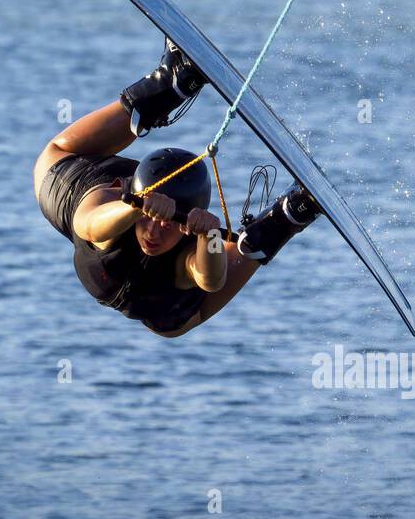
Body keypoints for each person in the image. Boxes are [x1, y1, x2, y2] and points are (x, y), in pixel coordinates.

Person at [33, 41, 321, 337]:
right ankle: (168, 85)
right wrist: (137, 206)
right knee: (50, 159)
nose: (154, 233)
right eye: (149, 222)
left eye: (167, 226)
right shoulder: (110, 203)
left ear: (184, 226)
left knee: (173, 324)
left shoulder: (184, 243)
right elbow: (91, 226)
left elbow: (207, 278)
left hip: (156, 301)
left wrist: (206, 236)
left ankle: (277, 223)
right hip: (105, 188)